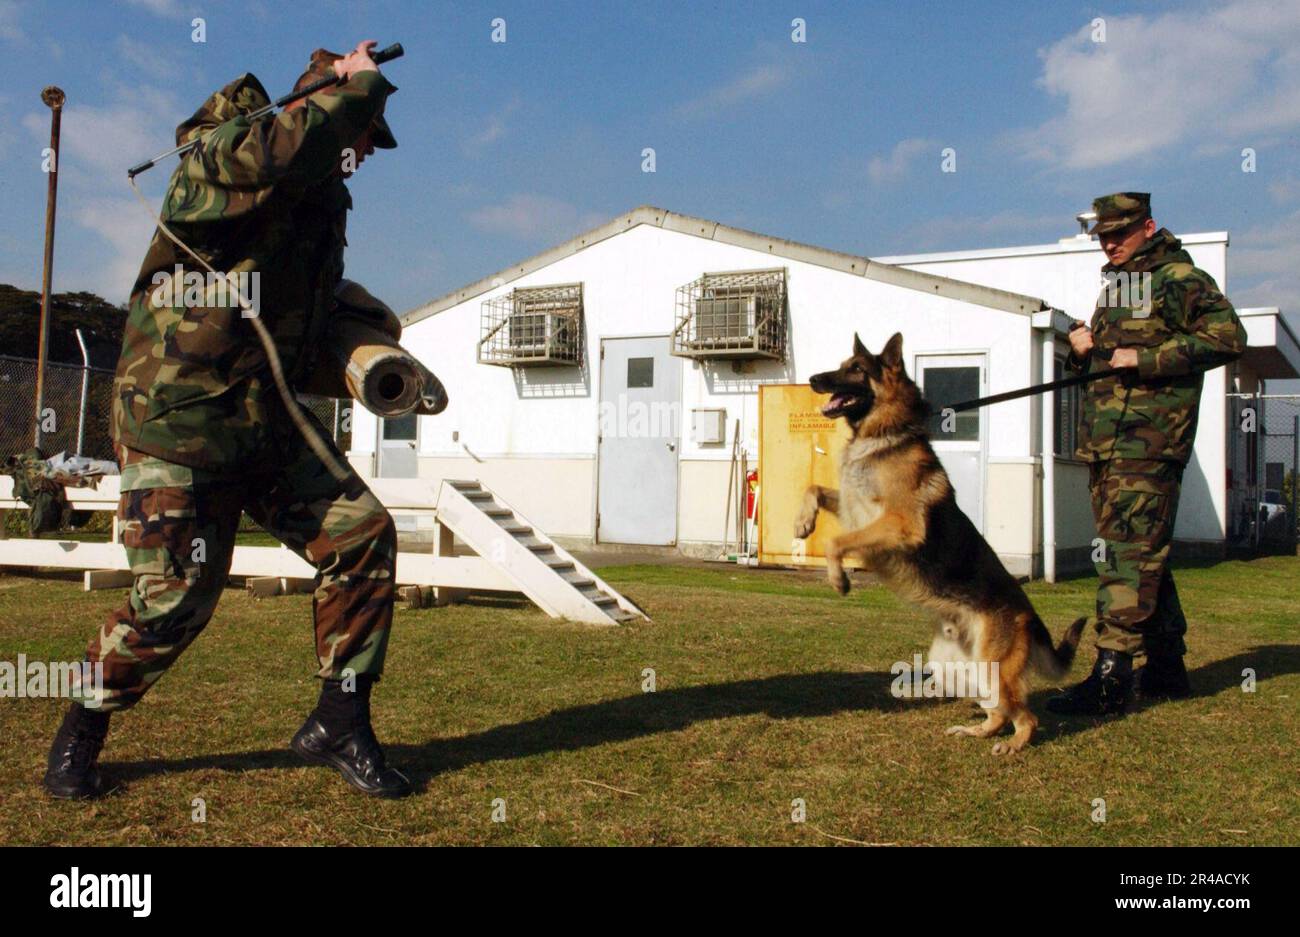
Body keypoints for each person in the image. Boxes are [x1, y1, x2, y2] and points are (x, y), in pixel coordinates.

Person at [44, 41, 412, 798]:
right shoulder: (220, 158)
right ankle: (81, 726)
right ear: (323, 107)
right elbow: (281, 152)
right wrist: (350, 87)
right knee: (175, 600)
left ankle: (338, 721)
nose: (366, 151)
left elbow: (300, 311)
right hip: (179, 418)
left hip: (260, 420)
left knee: (360, 533)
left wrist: (362, 324)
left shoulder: (314, 203)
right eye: (363, 133)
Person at [1048, 193, 1246, 716]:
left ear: (1149, 226)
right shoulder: (1119, 289)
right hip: (1108, 445)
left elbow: (1228, 338)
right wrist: (1083, 352)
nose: (1110, 243)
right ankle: (1165, 667)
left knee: (1127, 554)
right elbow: (1108, 371)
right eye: (1103, 236)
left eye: (1120, 233)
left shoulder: (1179, 278)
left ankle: (1112, 676)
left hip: (1150, 444)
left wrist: (1150, 357)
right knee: (1141, 552)